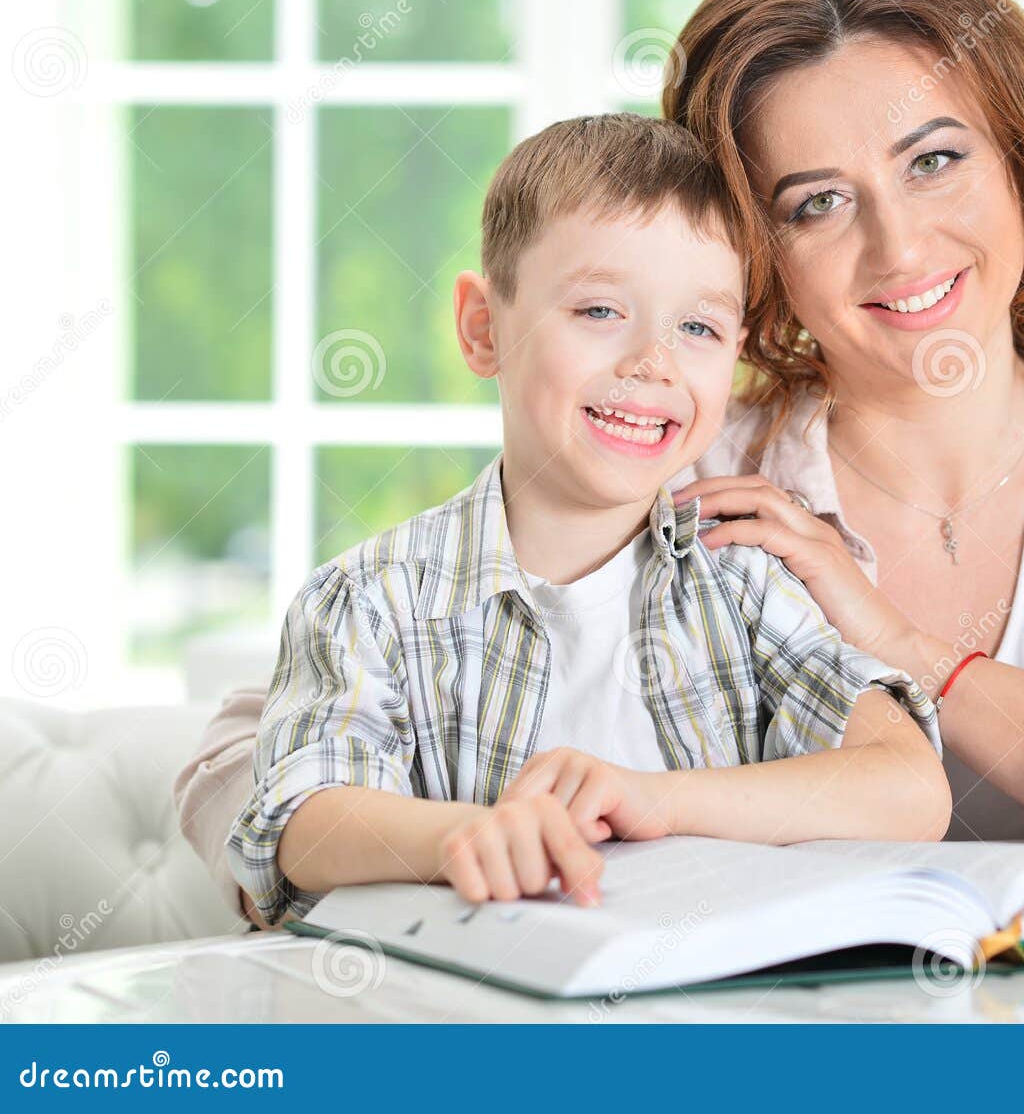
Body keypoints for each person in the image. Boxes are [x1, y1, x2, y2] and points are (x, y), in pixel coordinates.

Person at [179, 0, 1024, 929]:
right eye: (816, 202)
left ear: (1021, 167)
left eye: (935, 160)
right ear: (757, 255)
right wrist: (477, 836)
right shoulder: (677, 460)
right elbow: (262, 749)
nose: (898, 247)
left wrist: (916, 655)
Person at [221, 112, 949, 928]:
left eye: (698, 327)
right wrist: (474, 834)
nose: (652, 361)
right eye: (600, 311)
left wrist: (652, 800)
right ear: (483, 326)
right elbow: (299, 817)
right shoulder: (371, 597)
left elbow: (911, 786)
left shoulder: (744, 585)